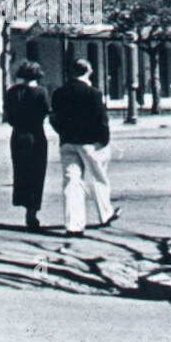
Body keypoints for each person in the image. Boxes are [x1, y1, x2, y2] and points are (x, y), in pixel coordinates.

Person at [50, 58, 118, 237]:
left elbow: (54, 118)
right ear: (89, 71)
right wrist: (103, 141)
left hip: (68, 142)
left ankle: (74, 225)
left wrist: (62, 132)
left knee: (71, 182)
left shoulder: (59, 93)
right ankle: (105, 213)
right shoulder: (93, 93)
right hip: (90, 143)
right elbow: (102, 120)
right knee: (98, 178)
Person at [3, 60, 50, 231]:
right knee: (37, 174)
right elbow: (46, 111)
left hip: (18, 136)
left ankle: (25, 204)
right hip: (36, 135)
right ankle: (32, 212)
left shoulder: (12, 92)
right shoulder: (41, 92)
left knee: (21, 172)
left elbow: (8, 116)